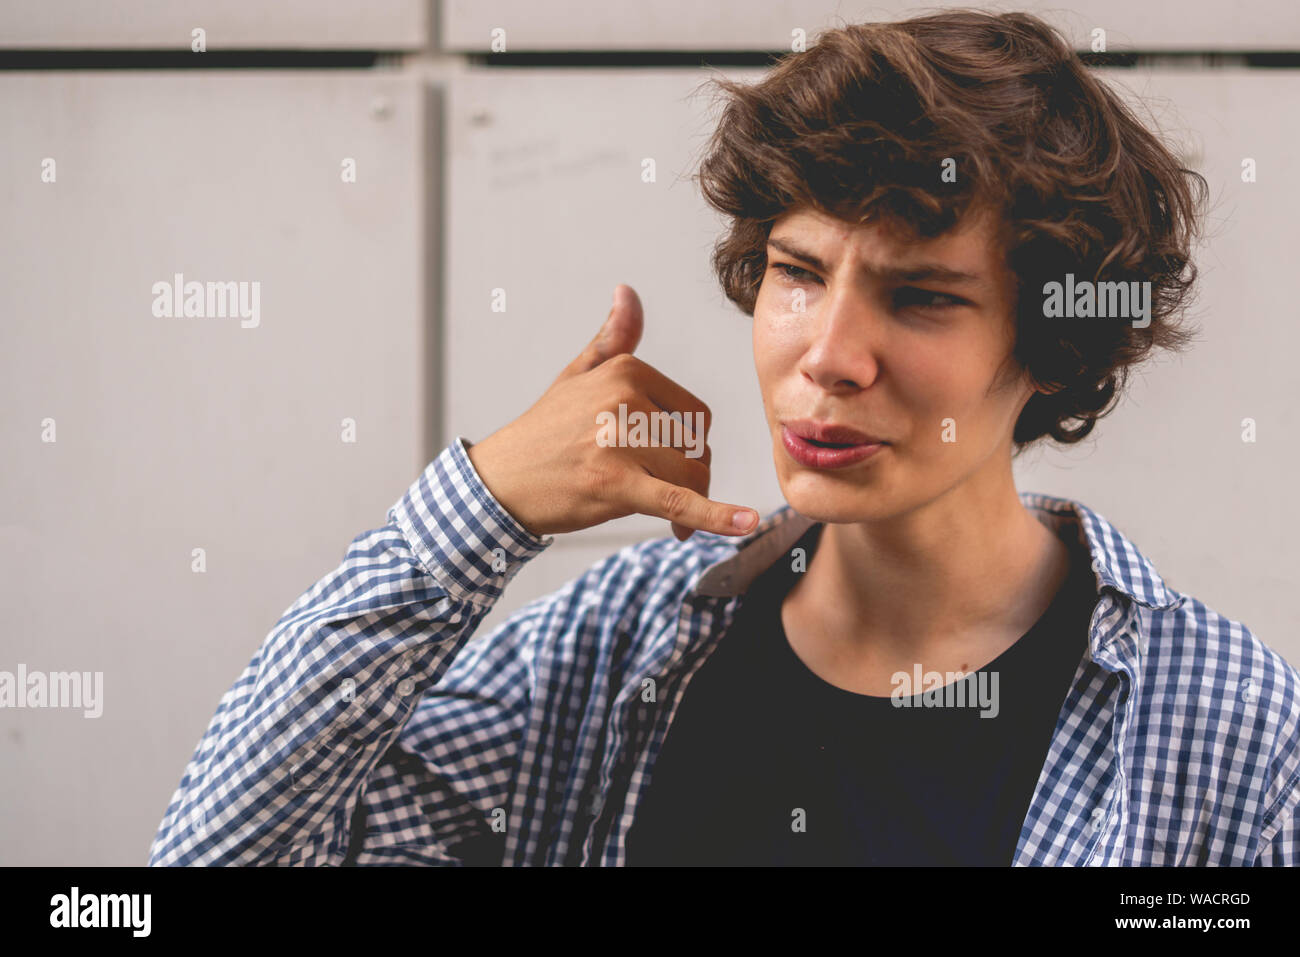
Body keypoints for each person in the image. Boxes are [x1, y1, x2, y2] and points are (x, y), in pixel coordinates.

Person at [149, 9, 1299, 866]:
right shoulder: (619, 649)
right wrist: (480, 508)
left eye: (921, 297)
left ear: (1050, 348)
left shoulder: (1218, 725)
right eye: (797, 275)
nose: (830, 355)